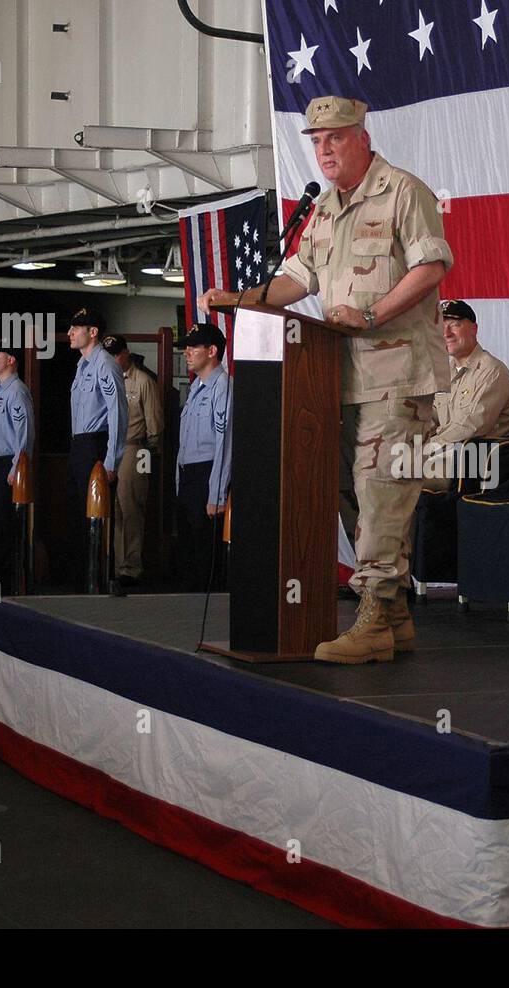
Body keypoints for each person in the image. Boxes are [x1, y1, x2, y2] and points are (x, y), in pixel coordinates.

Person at [197, 95, 452, 664]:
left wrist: (369, 315)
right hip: (340, 379)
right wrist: (241, 300)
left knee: (380, 494)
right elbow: (298, 277)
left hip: (397, 378)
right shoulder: (326, 207)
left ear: (361, 135)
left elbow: (431, 267)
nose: (324, 149)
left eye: (334, 137)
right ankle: (394, 617)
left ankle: (371, 620)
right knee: (347, 494)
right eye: (315, 141)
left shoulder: (403, 191)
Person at [421, 299, 509, 492]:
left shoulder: (491, 371)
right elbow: (429, 416)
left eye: (455, 325)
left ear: (474, 329)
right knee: (377, 470)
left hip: (475, 464)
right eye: (441, 326)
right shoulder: (446, 370)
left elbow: (469, 427)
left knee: (399, 481)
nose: (446, 333)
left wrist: (423, 449)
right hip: (445, 454)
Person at [66, 307, 127, 591]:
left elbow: (117, 412)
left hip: (95, 445)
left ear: (92, 332)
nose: (70, 333)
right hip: (80, 444)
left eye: (76, 328)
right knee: (80, 513)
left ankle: (100, 579)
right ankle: (83, 579)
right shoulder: (82, 365)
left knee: (98, 515)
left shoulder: (105, 363)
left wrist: (111, 460)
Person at [174, 323, 232, 592]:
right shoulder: (198, 386)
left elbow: (225, 442)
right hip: (189, 476)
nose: (187, 352)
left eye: (193, 346)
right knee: (187, 549)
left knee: (205, 553)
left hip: (207, 475)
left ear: (212, 351)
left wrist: (217, 494)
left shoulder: (223, 386)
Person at [102, 334, 162, 586]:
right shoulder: (107, 379)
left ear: (126, 353)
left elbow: (154, 425)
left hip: (134, 449)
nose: (114, 360)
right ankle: (117, 566)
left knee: (130, 509)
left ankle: (130, 568)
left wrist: (147, 461)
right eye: (110, 355)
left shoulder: (143, 381)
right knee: (112, 510)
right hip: (110, 451)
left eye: (117, 354)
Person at [0, 348, 35, 592]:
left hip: (8, 465)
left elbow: (23, 434)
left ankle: (5, 584)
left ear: (11, 360)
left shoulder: (16, 391)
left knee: (5, 528)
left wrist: (17, 467)